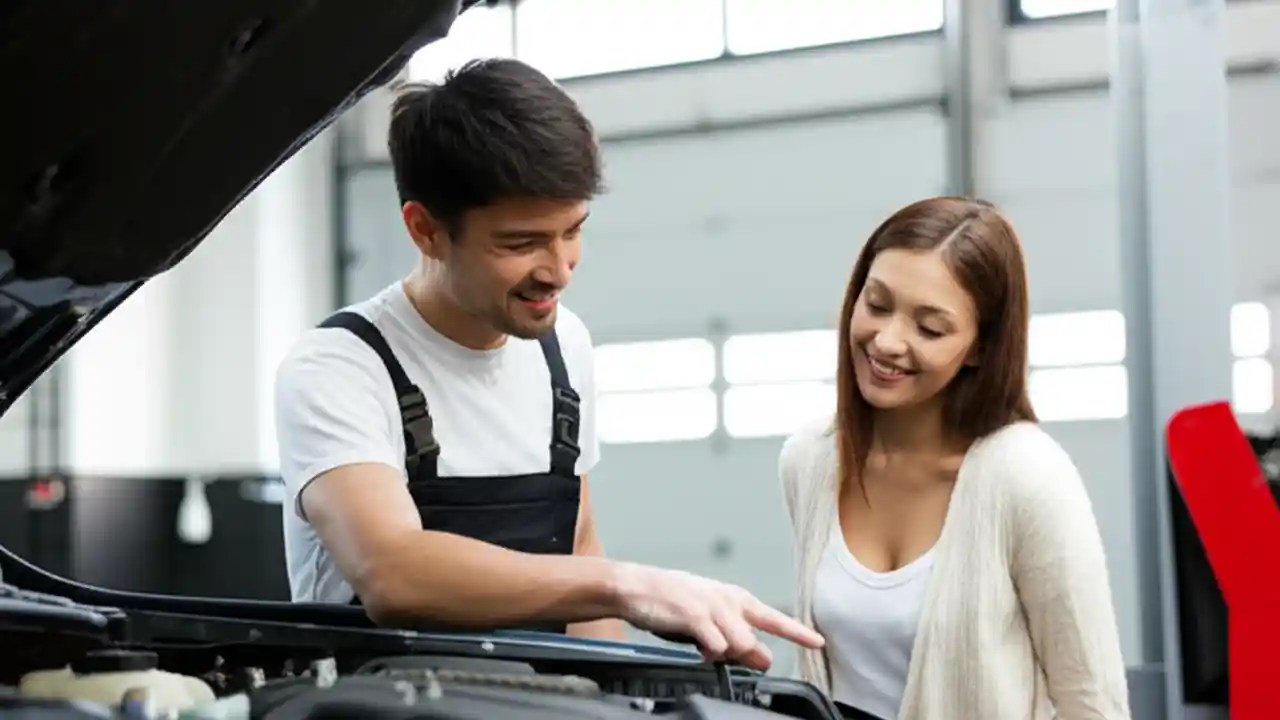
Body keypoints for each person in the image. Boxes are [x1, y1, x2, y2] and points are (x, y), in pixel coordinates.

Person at [272, 57, 822, 671]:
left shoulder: (565, 348)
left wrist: (620, 699)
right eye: (521, 243)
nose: (559, 269)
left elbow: (580, 552)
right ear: (425, 230)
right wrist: (629, 585)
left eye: (573, 231)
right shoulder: (340, 368)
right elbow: (392, 572)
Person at [778, 197, 1130, 719]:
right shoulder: (810, 458)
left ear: (980, 348)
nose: (888, 341)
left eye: (930, 328)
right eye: (876, 304)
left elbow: (1093, 702)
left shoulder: (1027, 476)